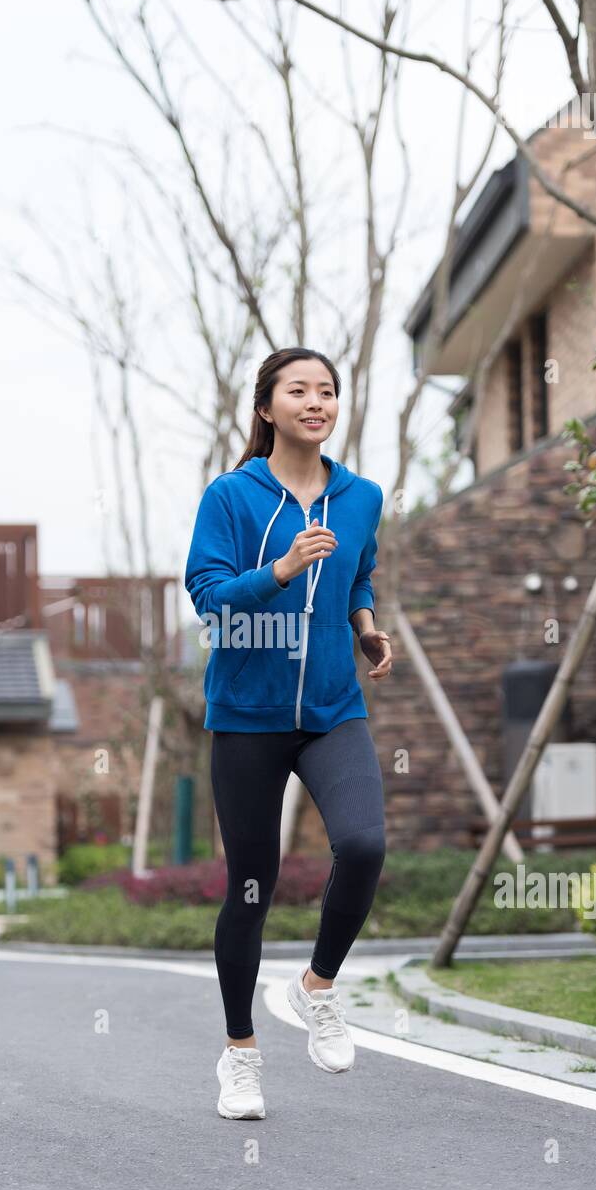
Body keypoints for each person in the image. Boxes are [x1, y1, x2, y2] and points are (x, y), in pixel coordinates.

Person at [184, 346, 392, 1119]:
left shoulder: (361, 496)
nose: (316, 401)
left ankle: (316, 988)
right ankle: (240, 1054)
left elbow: (359, 570)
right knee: (251, 886)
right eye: (298, 390)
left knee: (364, 845)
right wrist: (280, 568)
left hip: (332, 708)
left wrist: (365, 626)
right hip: (247, 715)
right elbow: (208, 599)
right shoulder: (231, 497)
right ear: (266, 408)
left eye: (328, 390)